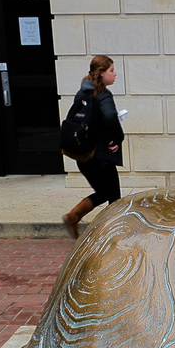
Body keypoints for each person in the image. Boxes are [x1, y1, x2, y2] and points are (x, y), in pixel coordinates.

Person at [62, 55, 124, 239]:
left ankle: (74, 216)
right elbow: (110, 117)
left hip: (83, 155)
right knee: (113, 196)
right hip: (99, 155)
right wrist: (118, 138)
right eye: (111, 70)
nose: (115, 74)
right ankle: (117, 235)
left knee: (104, 192)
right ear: (102, 73)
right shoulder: (102, 94)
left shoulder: (82, 92)